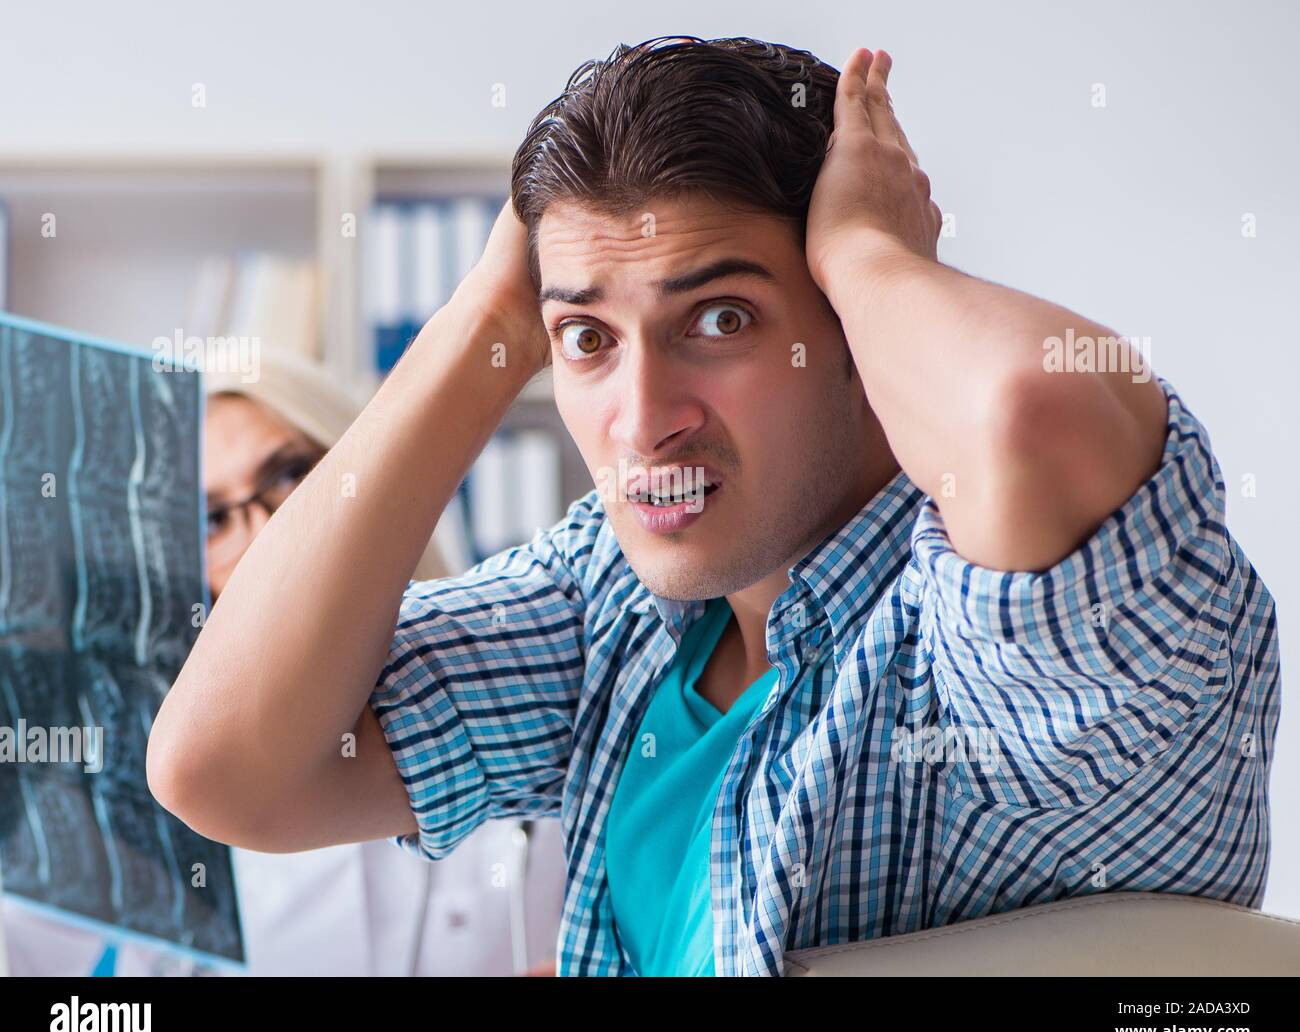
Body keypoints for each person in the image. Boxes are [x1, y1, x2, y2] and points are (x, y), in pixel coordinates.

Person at [148, 37, 1281, 976]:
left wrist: (867, 249)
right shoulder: (613, 610)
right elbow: (226, 767)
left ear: (847, 321)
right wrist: (488, 327)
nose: (642, 420)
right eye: (586, 340)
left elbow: (1029, 416)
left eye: (721, 320)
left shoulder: (982, 630)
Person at [4, 353, 564, 976]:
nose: (267, 531)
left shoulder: (535, 678)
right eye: (212, 519)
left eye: (293, 473)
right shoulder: (126, 770)